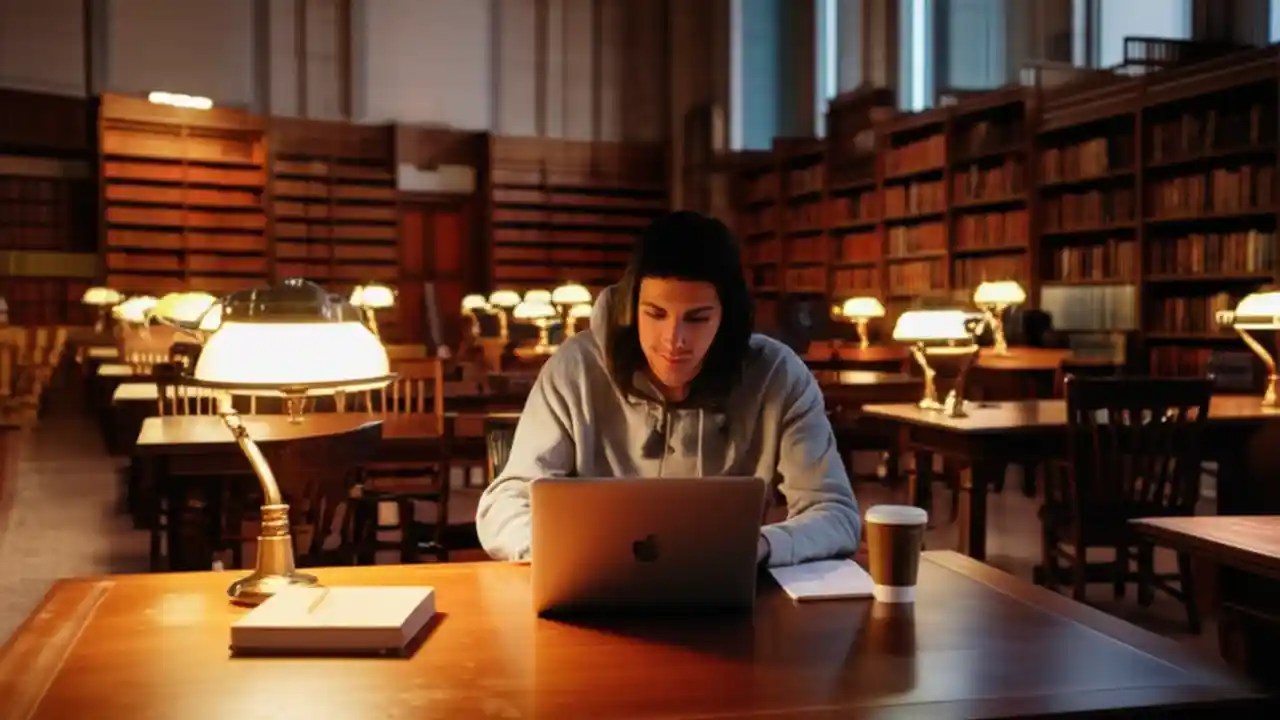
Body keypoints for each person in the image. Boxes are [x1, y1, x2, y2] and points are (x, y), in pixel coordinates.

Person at [476, 211, 861, 567]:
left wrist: (761, 546)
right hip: (592, 595)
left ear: (727, 318)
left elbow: (836, 515)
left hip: (726, 606)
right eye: (655, 314)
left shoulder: (778, 375)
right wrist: (569, 552)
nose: (673, 339)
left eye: (697, 318)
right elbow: (503, 506)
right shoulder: (574, 369)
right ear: (629, 308)